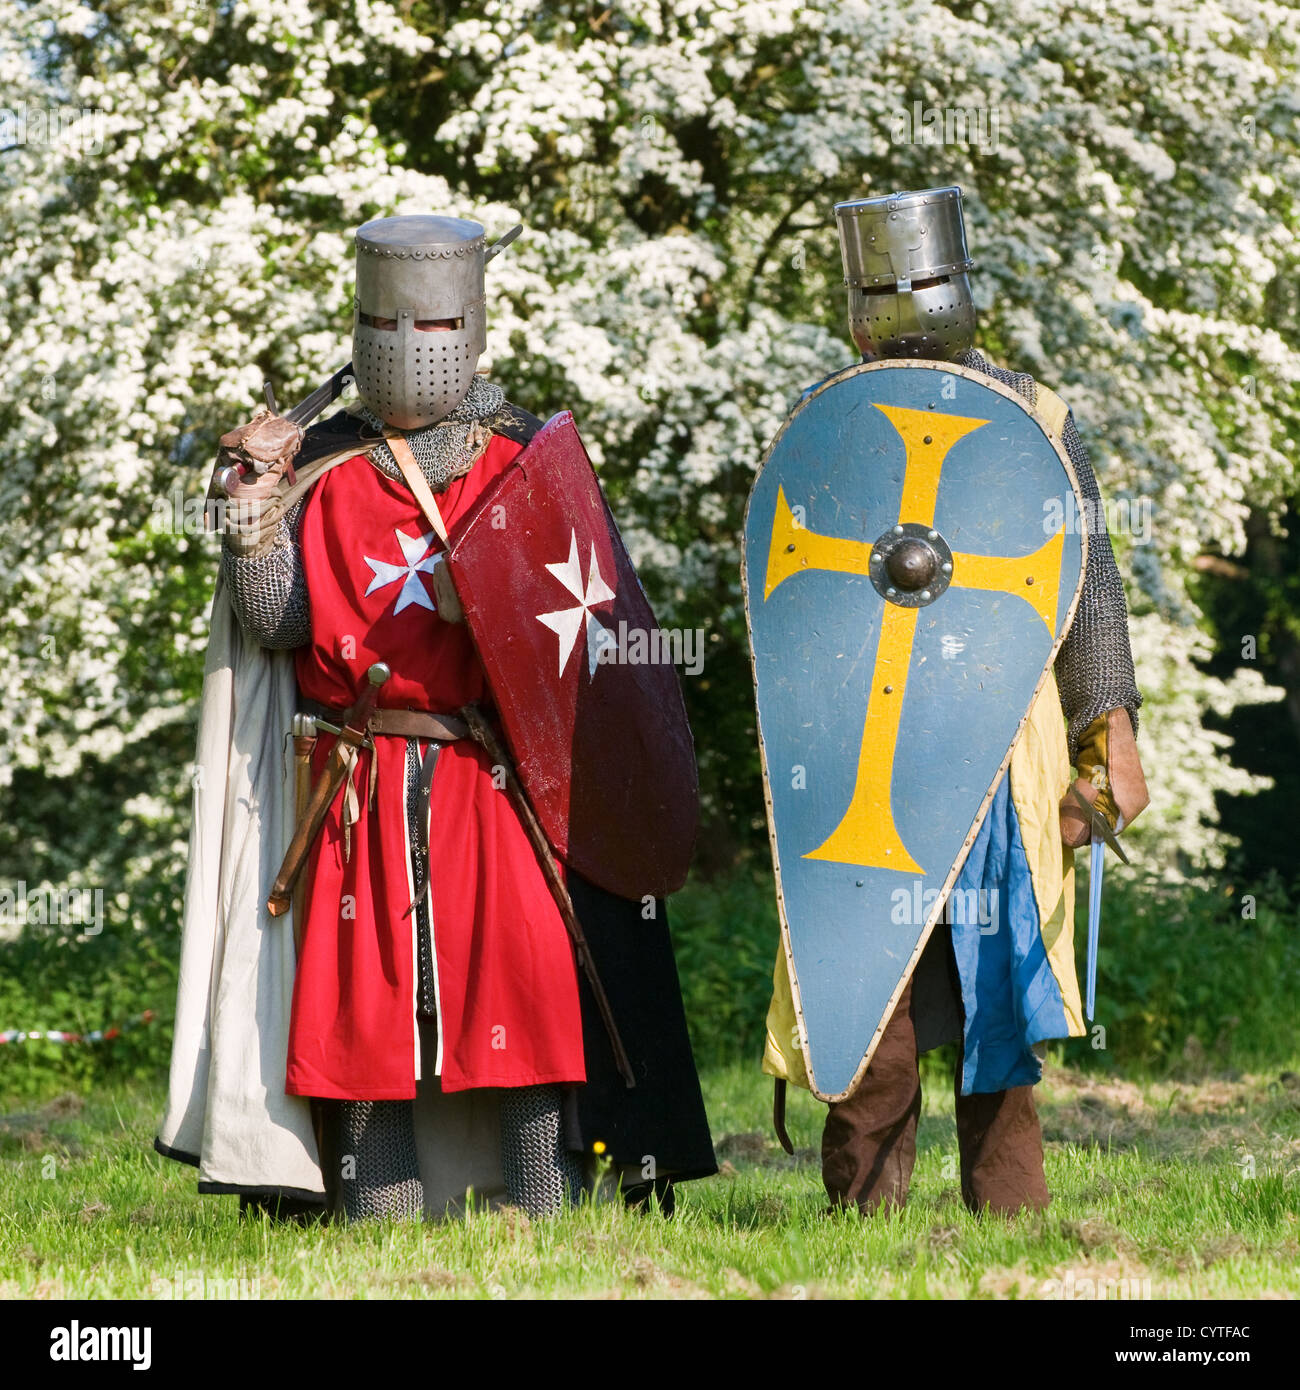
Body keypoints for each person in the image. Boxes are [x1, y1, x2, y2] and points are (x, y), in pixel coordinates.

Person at [156, 213, 714, 1220]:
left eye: (432, 329)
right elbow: (277, 624)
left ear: (469, 324)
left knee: (523, 991)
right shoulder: (314, 462)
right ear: (363, 325)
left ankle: (542, 1198)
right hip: (358, 783)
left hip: (496, 778)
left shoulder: (525, 458)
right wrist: (248, 515)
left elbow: (591, 643)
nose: (414, 353)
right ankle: (376, 1210)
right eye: (392, 328)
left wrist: (504, 597)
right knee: (365, 1005)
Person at [761, 187, 1149, 1216]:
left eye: (917, 281)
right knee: (865, 988)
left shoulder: (1036, 417)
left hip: (993, 747)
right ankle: (861, 1216)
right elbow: (791, 597)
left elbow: (1085, 587)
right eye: (881, 285)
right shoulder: (831, 422)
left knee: (997, 993)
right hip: (863, 753)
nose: (903, 303)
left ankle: (1010, 1215)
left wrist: (1106, 732)